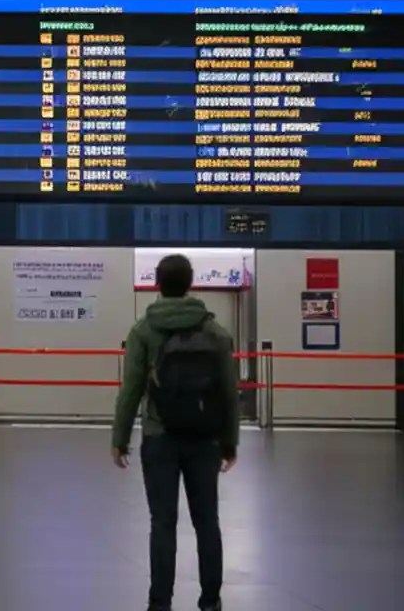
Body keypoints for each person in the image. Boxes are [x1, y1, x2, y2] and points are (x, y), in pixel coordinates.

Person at [112, 254, 240, 611]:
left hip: (159, 437)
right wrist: (229, 443)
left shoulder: (143, 330)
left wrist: (119, 439)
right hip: (205, 439)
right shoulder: (215, 332)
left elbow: (131, 390)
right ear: (190, 283)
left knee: (163, 522)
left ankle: (160, 602)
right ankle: (211, 600)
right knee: (207, 521)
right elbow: (229, 393)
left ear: (157, 282)